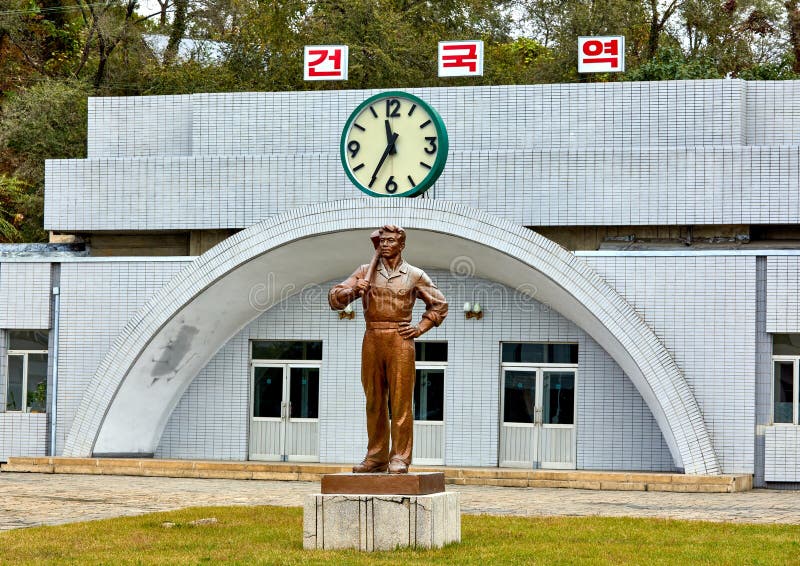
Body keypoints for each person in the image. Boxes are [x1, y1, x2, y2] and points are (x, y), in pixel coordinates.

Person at [328, 225, 448, 474]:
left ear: (401, 245)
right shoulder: (365, 272)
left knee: (401, 402)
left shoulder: (414, 274)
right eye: (382, 240)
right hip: (372, 336)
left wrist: (420, 328)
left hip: (400, 339)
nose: (385, 244)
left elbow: (439, 304)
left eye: (391, 240)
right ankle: (376, 456)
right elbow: (334, 298)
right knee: (374, 401)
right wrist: (352, 290)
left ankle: (400, 458)